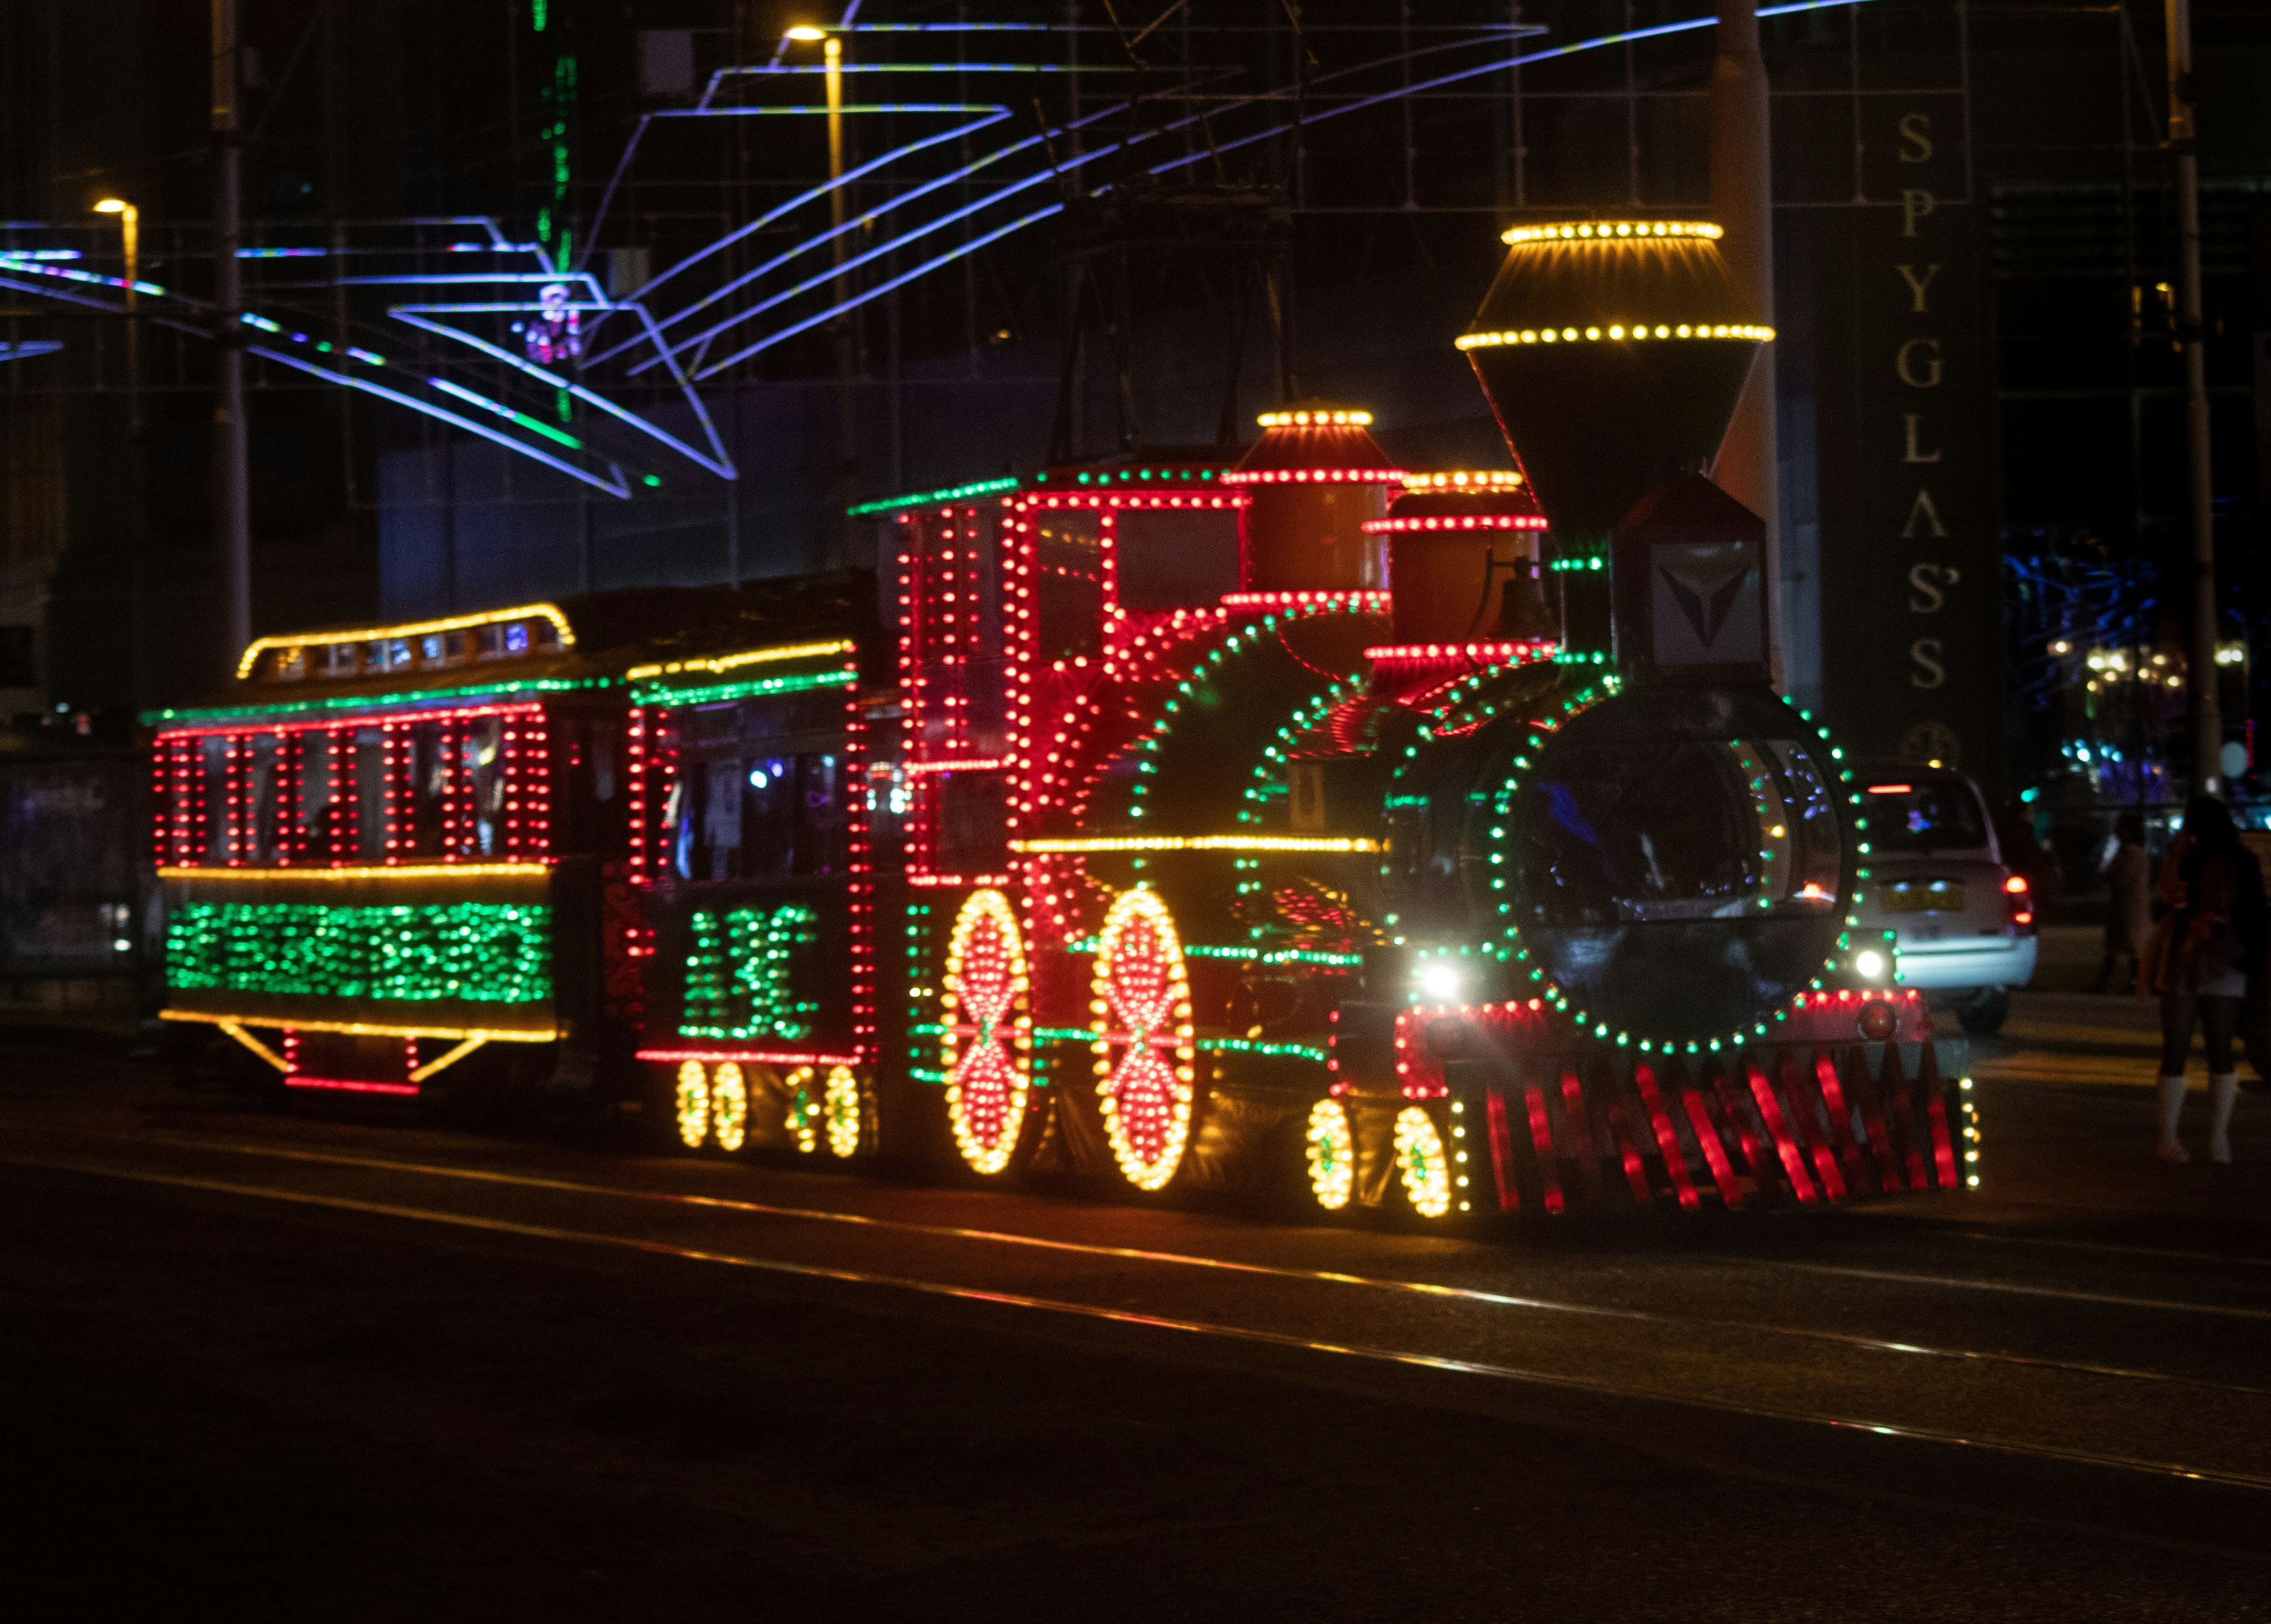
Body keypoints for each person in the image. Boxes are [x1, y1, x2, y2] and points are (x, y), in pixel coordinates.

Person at [2142, 795, 2265, 1163]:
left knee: (2215, 1047)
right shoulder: (2183, 859)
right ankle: (2177, 1139)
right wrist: (2176, 905)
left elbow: (2254, 913)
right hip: (2187, 959)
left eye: (2194, 825)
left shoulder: (2238, 861)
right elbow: (2162, 908)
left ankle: (2214, 1138)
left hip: (2221, 959)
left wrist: (2219, 927)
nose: (2190, 833)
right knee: (2184, 1047)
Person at [2090, 812, 2152, 994]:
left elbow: (2121, 878)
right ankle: (2132, 983)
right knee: (2129, 947)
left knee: (2124, 947)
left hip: (2128, 906)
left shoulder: (2129, 852)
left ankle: (2128, 984)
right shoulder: (2138, 851)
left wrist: (2108, 876)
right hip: (2131, 905)